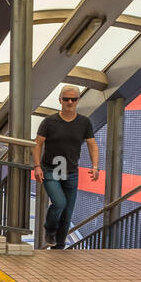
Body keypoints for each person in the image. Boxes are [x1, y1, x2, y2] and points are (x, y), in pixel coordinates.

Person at [33, 85, 100, 250]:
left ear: (78, 101)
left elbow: (92, 145)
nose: (70, 102)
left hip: (71, 172)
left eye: (74, 99)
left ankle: (59, 246)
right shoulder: (49, 122)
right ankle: (49, 229)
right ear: (60, 100)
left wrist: (95, 166)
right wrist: (36, 166)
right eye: (66, 99)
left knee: (67, 213)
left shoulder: (84, 122)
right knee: (59, 202)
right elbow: (37, 144)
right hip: (51, 169)